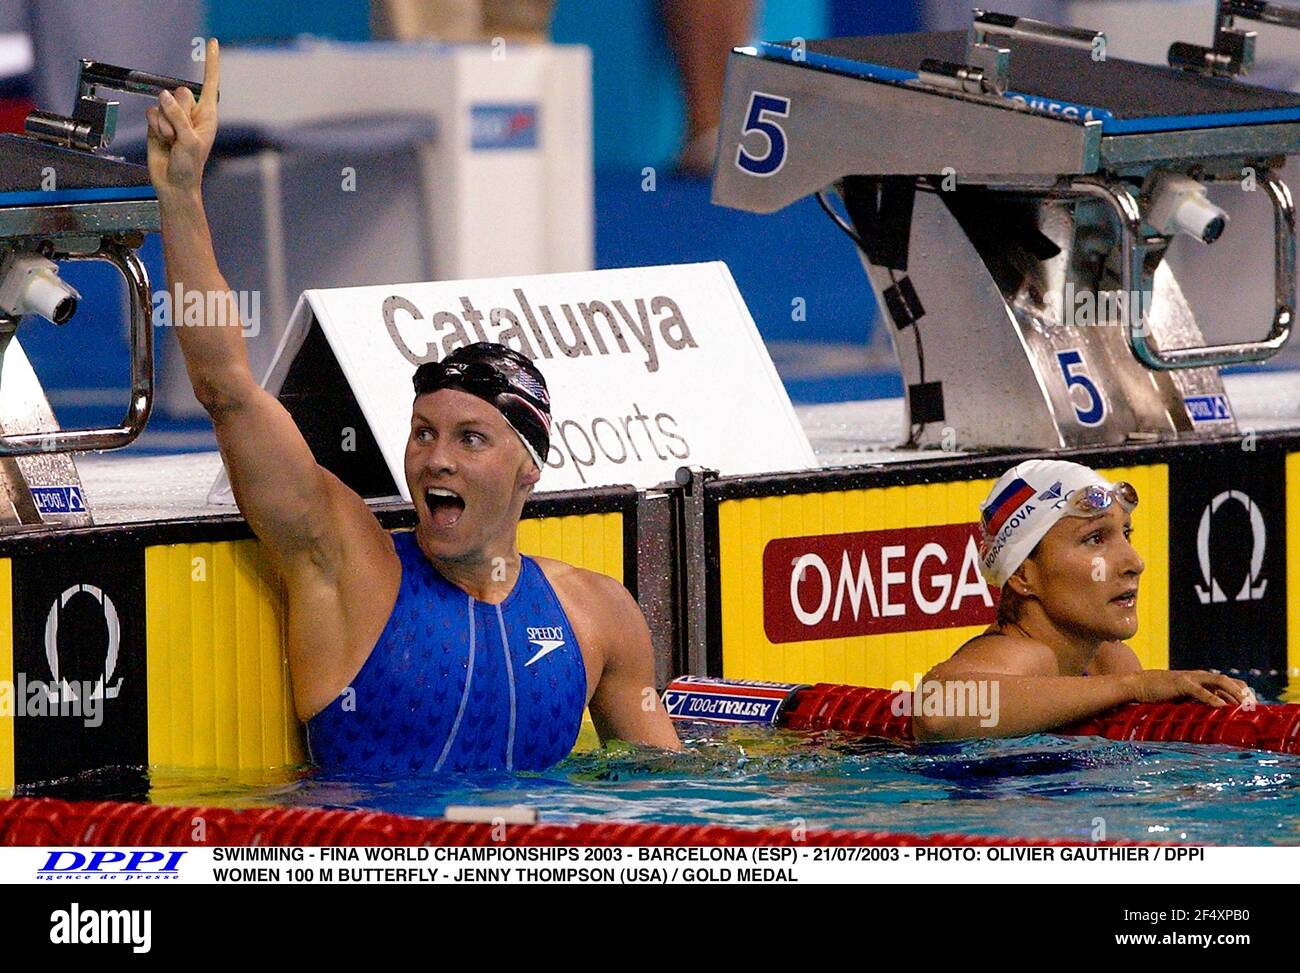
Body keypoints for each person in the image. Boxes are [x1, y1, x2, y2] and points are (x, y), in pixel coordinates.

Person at [144, 39, 680, 774]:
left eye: (470, 438)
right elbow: (227, 390)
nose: (437, 458)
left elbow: (667, 795)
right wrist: (180, 196)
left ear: (529, 466)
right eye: (424, 432)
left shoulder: (599, 615)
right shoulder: (349, 565)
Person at [913, 459, 1253, 741]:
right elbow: (936, 711)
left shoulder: (1109, 662)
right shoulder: (1025, 655)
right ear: (1023, 575)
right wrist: (1135, 686)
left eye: (1126, 533)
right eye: (1095, 538)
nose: (1134, 562)